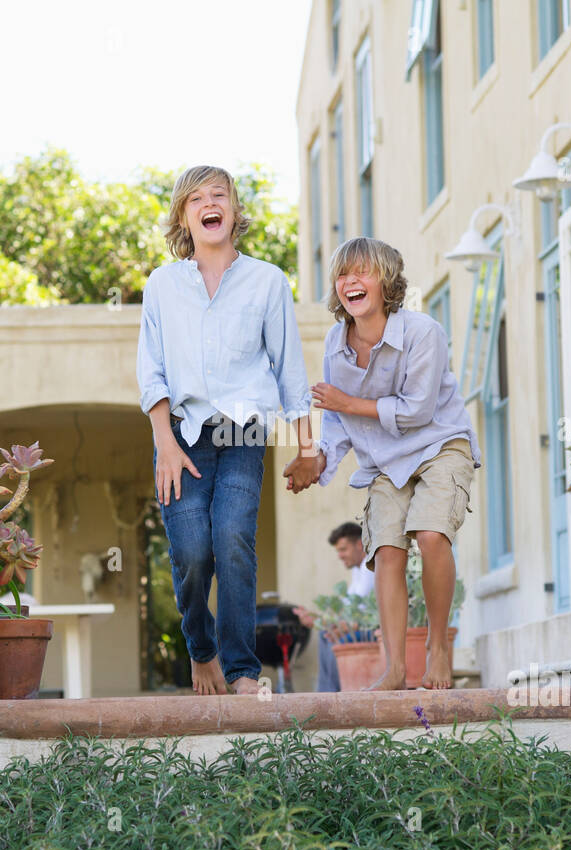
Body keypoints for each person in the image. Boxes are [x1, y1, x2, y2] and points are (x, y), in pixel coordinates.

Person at [136, 165, 314, 696]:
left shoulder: (266, 281)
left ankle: (242, 670)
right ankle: (201, 649)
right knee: (191, 552)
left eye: (219, 195)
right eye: (196, 199)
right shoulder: (163, 285)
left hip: (243, 433)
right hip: (183, 434)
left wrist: (308, 448)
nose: (208, 204)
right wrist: (163, 441)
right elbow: (152, 370)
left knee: (233, 538)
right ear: (183, 217)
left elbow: (290, 370)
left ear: (234, 212)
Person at [289, 236, 480, 691]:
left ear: (386, 282)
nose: (350, 281)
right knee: (387, 551)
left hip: (439, 445)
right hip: (383, 462)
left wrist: (349, 402)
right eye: (342, 274)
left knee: (431, 535)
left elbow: (416, 410)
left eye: (363, 272)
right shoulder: (336, 343)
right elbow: (335, 421)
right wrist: (318, 460)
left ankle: (437, 647)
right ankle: (394, 668)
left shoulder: (422, 333)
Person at [295, 522, 376, 692]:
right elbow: (348, 613)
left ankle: (331, 695)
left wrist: (323, 622)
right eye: (338, 550)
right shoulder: (358, 569)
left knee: (333, 637)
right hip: (362, 627)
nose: (340, 555)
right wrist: (319, 620)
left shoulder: (370, 566)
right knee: (327, 633)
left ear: (359, 544)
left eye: (343, 549)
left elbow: (356, 618)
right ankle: (328, 694)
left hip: (376, 630)